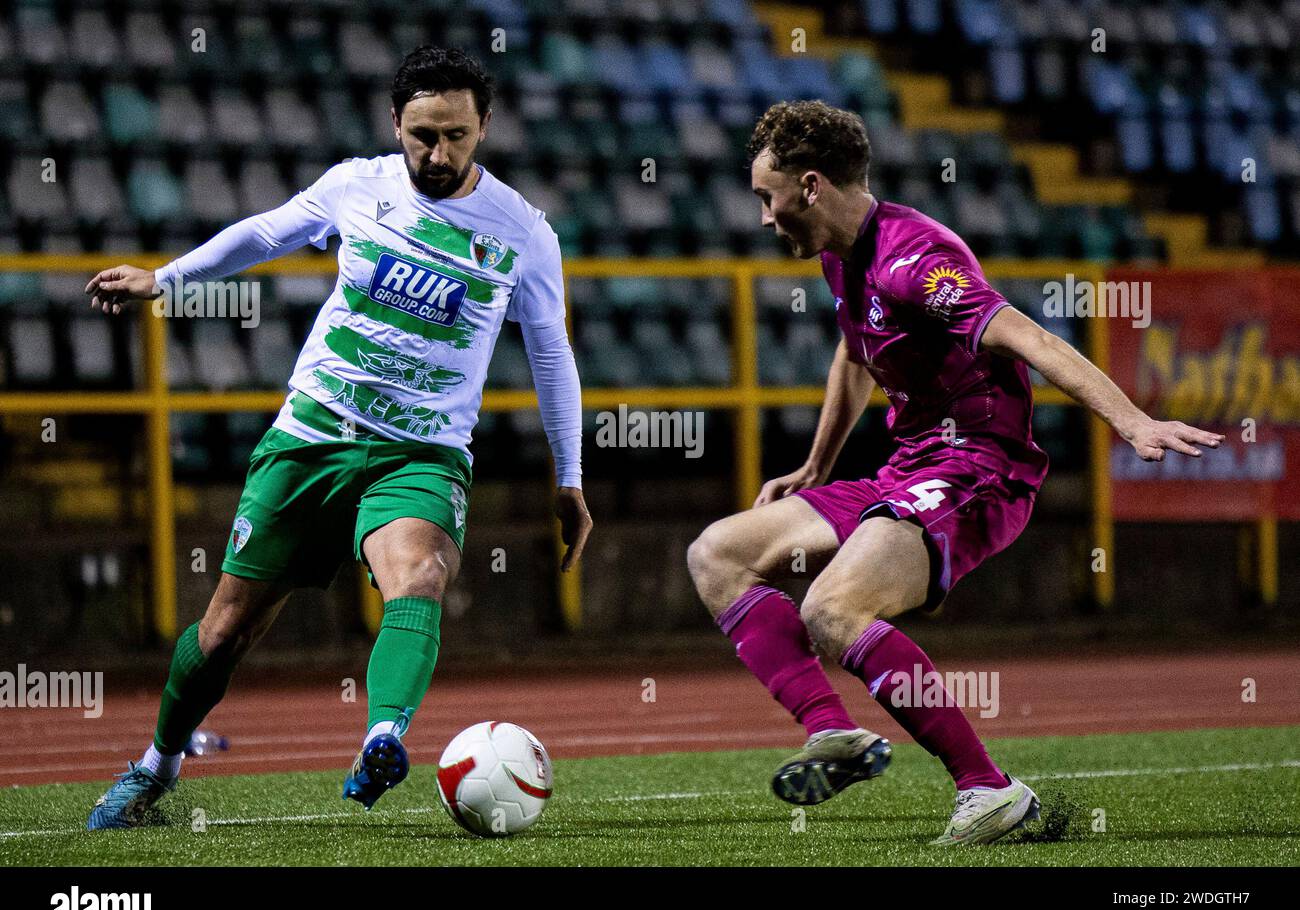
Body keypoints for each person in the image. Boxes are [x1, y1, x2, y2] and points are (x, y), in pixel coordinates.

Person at [687, 101, 1223, 845]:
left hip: (979, 468)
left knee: (830, 611)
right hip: (907, 468)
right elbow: (855, 354)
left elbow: (1027, 334)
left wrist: (1130, 421)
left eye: (764, 196)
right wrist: (815, 465)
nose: (763, 216)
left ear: (809, 186)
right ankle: (832, 732)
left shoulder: (917, 261)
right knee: (717, 553)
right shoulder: (840, 254)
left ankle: (990, 793)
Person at [84, 46, 591, 829]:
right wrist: (167, 278)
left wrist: (571, 475)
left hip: (420, 454)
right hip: (314, 433)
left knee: (418, 576)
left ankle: (384, 734)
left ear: (485, 126)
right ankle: (157, 767)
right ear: (395, 123)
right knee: (225, 631)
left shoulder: (523, 232)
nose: (437, 152)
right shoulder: (358, 184)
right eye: (421, 133)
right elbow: (266, 233)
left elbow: (551, 351)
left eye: (455, 134)